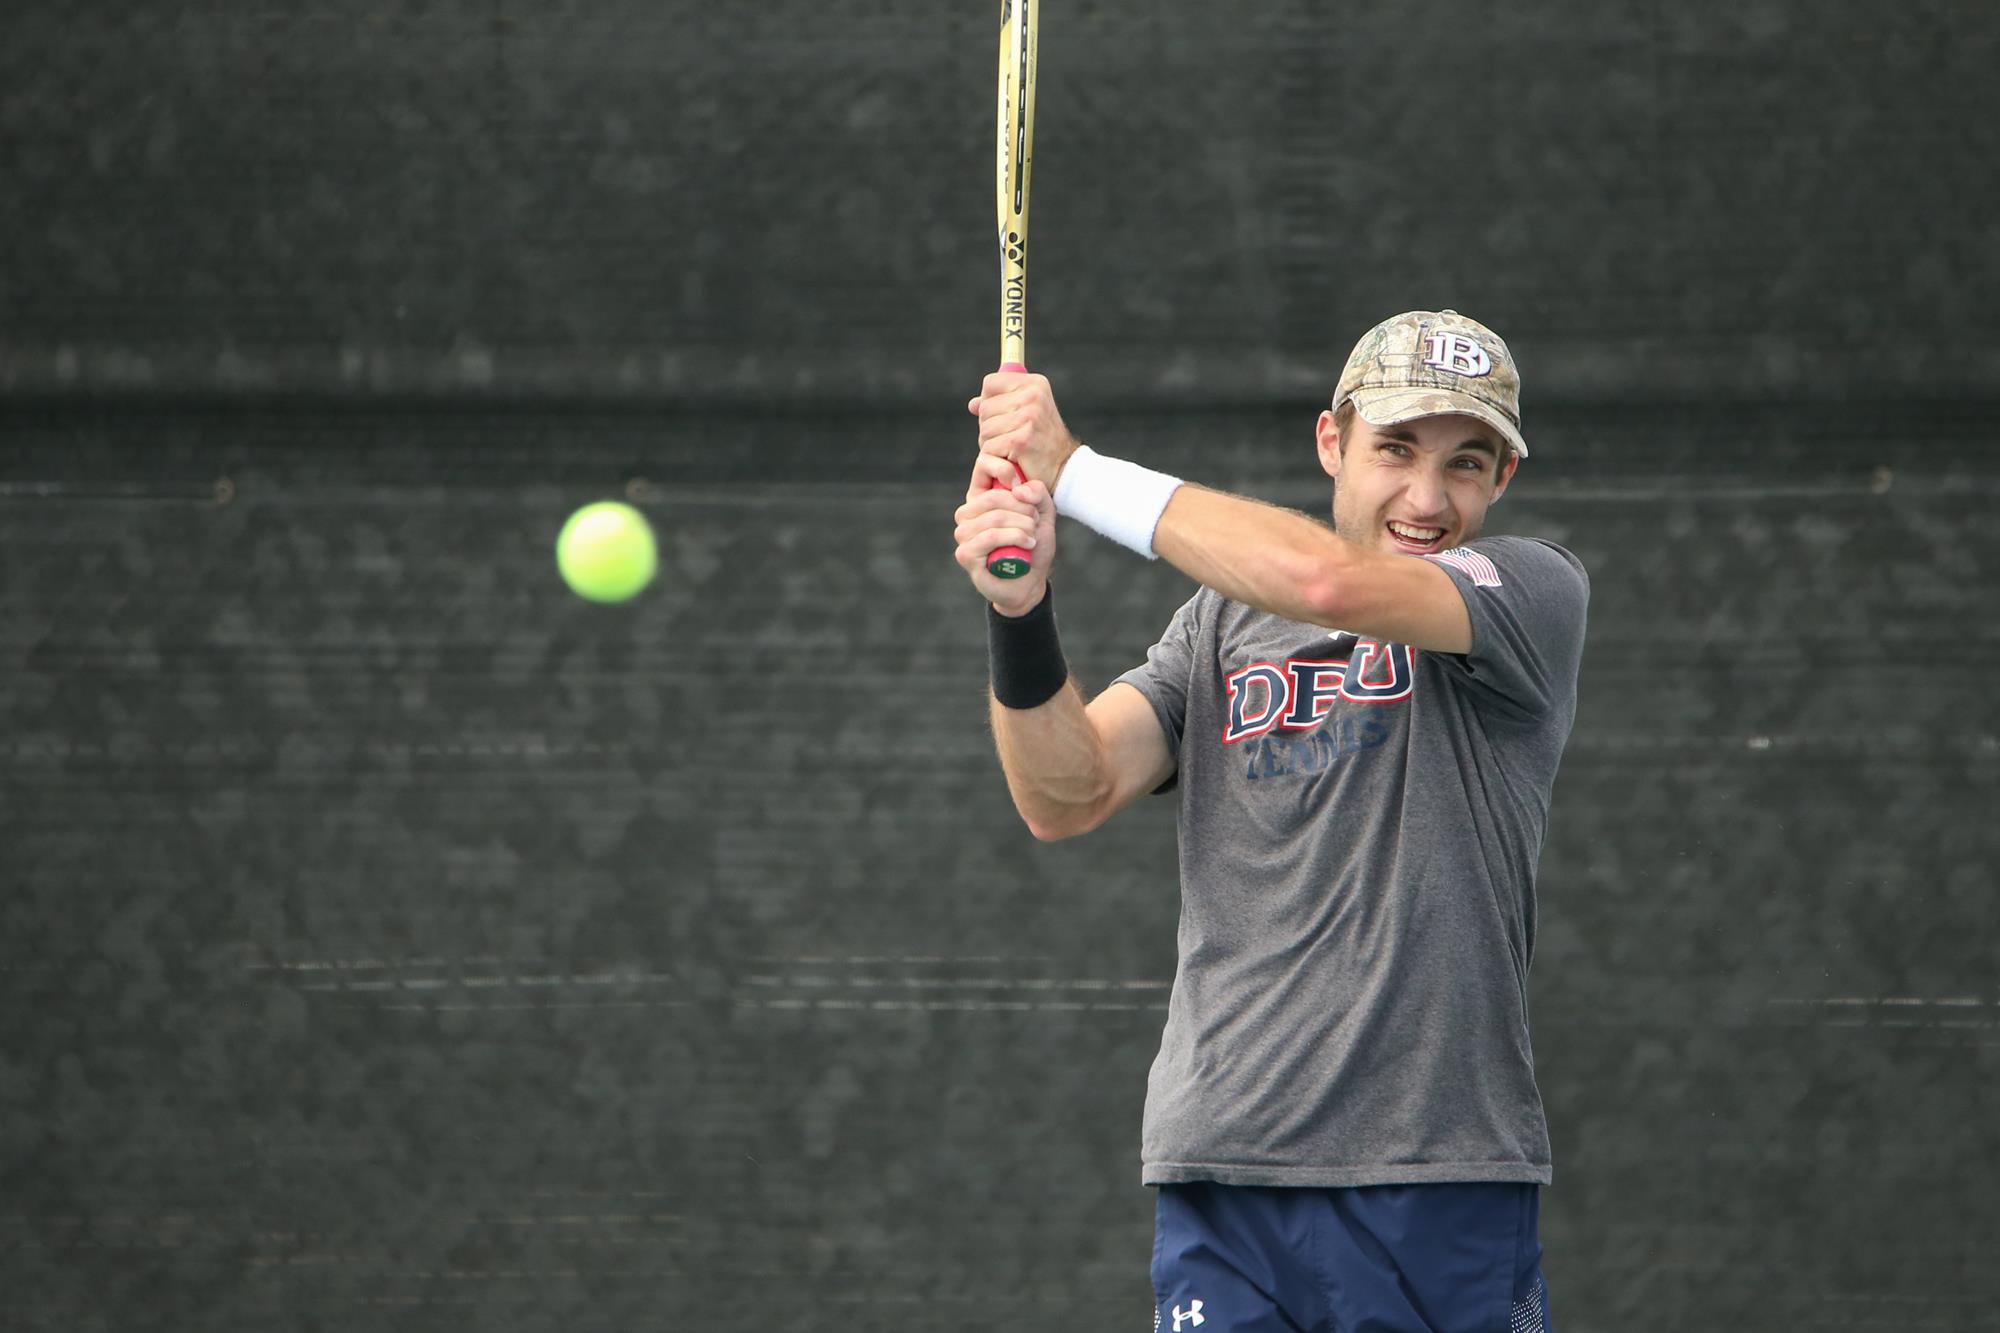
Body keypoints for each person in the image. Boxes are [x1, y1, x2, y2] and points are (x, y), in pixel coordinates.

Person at [952, 310, 1587, 1333]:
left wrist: (1069, 468)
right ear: (1330, 442)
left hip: (1434, 1177)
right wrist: (1017, 615)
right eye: (1394, 449)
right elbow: (1063, 793)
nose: (1426, 498)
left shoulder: (1526, 592)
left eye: (1465, 463)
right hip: (1223, 1177)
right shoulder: (1217, 626)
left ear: (1500, 481)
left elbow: (1327, 580)